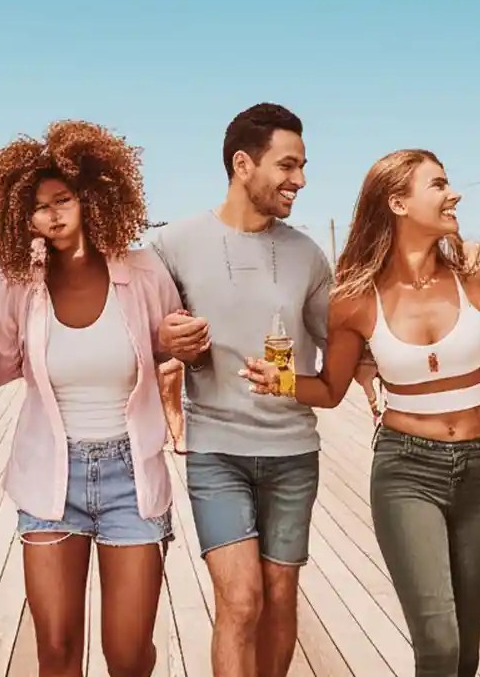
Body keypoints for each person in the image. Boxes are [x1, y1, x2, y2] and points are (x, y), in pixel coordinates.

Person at [241, 149, 480, 676]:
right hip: (407, 470)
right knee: (437, 641)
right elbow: (330, 388)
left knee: (467, 649)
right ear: (398, 203)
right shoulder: (355, 297)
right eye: (438, 184)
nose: (453, 193)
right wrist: (283, 381)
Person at [0, 120, 180, 677]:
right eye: (39, 208)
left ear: (89, 199)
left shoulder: (141, 270)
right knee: (58, 651)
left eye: (63, 200)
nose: (53, 215)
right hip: (49, 479)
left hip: (129, 475)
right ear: (23, 218)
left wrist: (191, 347)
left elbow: (172, 344)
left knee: (128, 653)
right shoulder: (19, 284)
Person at [151, 102, 331, 677]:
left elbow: (349, 346)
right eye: (287, 165)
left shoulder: (307, 254)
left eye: (302, 166)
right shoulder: (171, 245)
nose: (299, 180)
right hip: (216, 451)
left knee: (279, 598)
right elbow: (145, 335)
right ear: (242, 164)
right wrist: (167, 338)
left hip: (293, 455)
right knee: (241, 600)